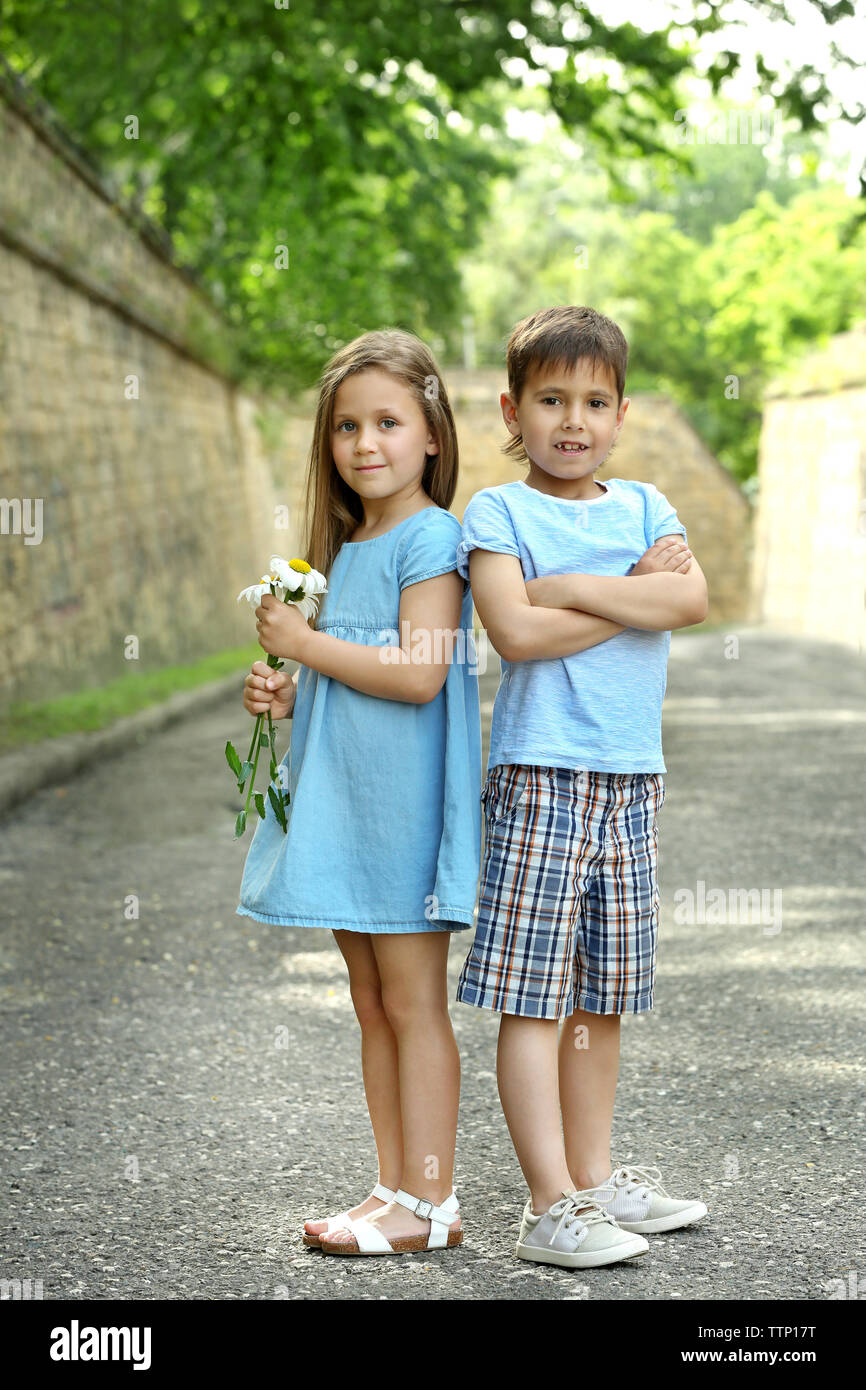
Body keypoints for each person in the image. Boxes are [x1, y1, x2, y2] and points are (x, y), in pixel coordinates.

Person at [455, 304, 709, 1270]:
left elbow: (686, 600)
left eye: (594, 401)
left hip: (631, 782)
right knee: (531, 997)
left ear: (621, 411)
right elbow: (513, 635)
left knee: (602, 996)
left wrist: (562, 586)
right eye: (551, 399)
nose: (573, 420)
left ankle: (596, 1183)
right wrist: (618, 594)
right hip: (542, 776)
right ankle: (548, 1205)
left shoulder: (646, 507)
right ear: (512, 407)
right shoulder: (499, 512)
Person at [236, 329, 482, 1257]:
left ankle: (432, 1202)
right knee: (371, 1000)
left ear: (431, 436)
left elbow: (419, 673)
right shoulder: (341, 548)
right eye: (347, 425)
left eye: (388, 421)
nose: (365, 442)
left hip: (405, 807)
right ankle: (392, 1188)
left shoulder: (431, 537)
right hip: (347, 799)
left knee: (414, 1003)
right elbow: (352, 677)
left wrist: (304, 647)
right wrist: (289, 690)